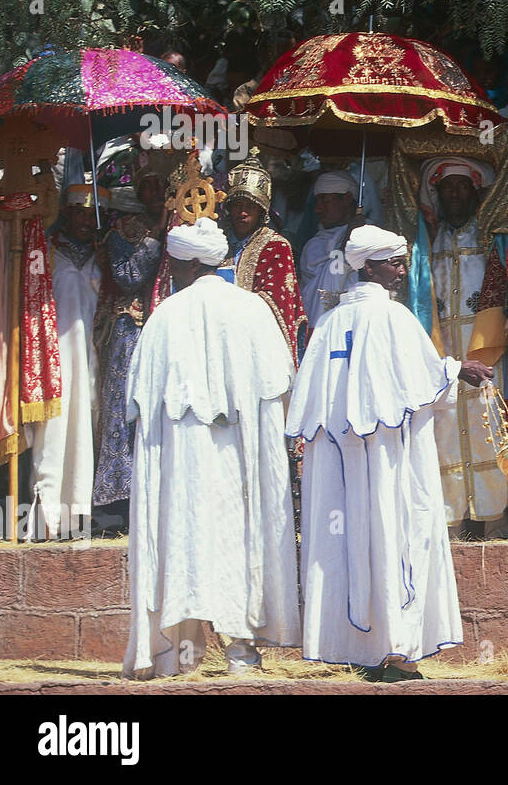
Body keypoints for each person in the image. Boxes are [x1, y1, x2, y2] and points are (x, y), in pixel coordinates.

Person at [289, 226, 488, 679]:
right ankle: (395, 648)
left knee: (350, 543)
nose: (402, 271)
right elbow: (423, 380)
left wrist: (451, 371)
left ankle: (359, 647)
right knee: (395, 536)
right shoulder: (393, 318)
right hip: (387, 460)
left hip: (340, 464)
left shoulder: (330, 321)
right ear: (371, 266)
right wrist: (461, 369)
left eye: (401, 261)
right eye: (395, 263)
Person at [123, 217, 300, 678]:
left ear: (185, 264)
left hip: (183, 462)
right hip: (241, 459)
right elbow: (281, 388)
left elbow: (136, 403)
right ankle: (242, 655)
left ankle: (182, 656)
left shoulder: (164, 316)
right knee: (241, 540)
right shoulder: (253, 310)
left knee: (184, 541)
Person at [422, 156, 508, 538]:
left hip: (487, 352)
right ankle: (453, 522)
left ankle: (496, 522)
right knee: (443, 434)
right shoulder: (425, 241)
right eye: (447, 187)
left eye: (462, 186)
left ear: (476, 191)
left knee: (490, 428)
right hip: (442, 357)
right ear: (438, 193)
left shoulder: (493, 239)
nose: (455, 194)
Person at [91, 165, 170, 535]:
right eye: (148, 186)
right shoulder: (123, 232)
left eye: (161, 186)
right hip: (129, 331)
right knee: (123, 414)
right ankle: (116, 505)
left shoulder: (187, 227)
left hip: (169, 331)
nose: (154, 194)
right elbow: (128, 278)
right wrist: (155, 236)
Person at [26, 184, 105, 539]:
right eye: (79, 213)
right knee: (52, 433)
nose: (85, 221)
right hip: (53, 359)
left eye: (91, 214)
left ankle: (78, 514)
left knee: (85, 432)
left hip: (91, 355)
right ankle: (46, 516)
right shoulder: (47, 250)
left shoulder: (103, 256)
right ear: (66, 213)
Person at [221, 154, 307, 361]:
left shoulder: (275, 246)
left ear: (261, 211)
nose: (243, 212)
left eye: (250, 206)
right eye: (237, 205)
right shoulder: (218, 242)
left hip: (254, 341)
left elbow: (277, 302)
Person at [298, 170, 365, 331]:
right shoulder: (313, 246)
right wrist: (346, 247)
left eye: (325, 201)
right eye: (317, 202)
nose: (317, 210)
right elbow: (319, 292)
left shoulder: (368, 237)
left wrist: (356, 239)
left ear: (347, 199)